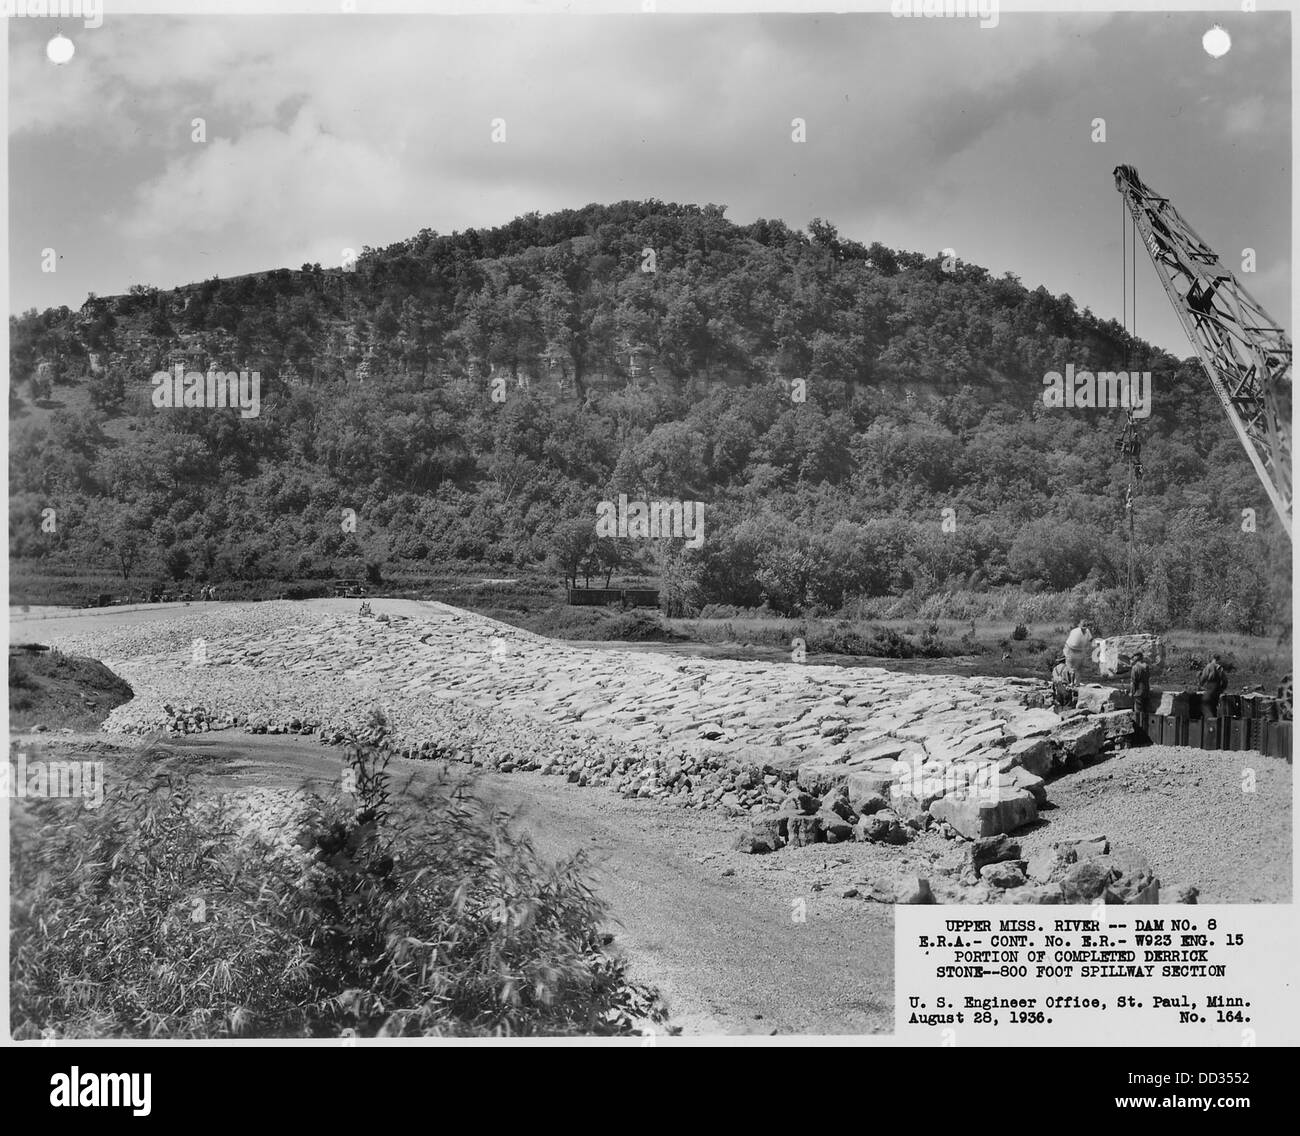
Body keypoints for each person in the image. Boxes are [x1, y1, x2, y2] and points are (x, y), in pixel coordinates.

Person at [1129, 650, 1151, 738]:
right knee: (1146, 712)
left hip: (1138, 692)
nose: (1133, 658)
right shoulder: (1146, 666)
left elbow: (1133, 682)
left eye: (1134, 656)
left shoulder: (1135, 667)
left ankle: (1139, 734)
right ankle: (1147, 732)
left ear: (1137, 657)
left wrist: (1131, 692)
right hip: (1146, 690)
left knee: (1138, 713)